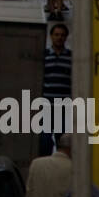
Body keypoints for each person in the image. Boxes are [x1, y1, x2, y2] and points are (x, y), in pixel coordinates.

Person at [41, 22, 72, 157]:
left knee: (63, 144)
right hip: (46, 107)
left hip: (63, 108)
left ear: (66, 38)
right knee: (45, 142)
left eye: (62, 35)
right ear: (51, 37)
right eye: (57, 35)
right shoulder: (44, 56)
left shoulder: (72, 57)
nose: (59, 38)